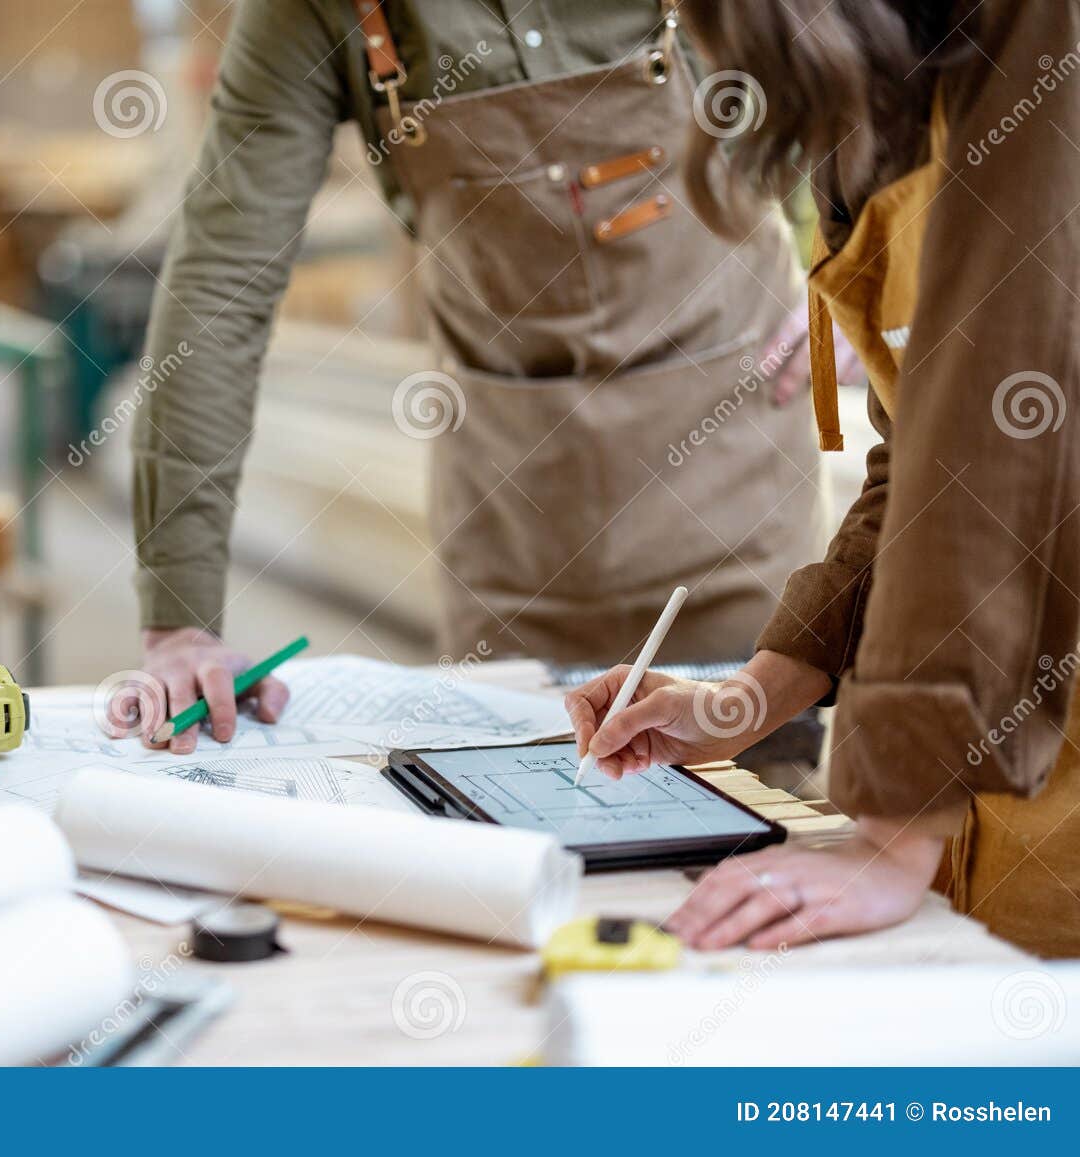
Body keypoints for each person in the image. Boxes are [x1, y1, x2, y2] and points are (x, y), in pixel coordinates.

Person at [117, 0, 845, 756]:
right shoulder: (317, 11)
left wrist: (864, 280)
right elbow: (220, 282)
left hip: (738, 511)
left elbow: (888, 71)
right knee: (514, 824)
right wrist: (181, 618)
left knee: (762, 828)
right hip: (514, 542)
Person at [568, 0, 1080, 958]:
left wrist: (891, 829)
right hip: (984, 767)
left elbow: (1004, 420)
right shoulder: (877, 76)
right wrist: (756, 692)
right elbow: (921, 448)